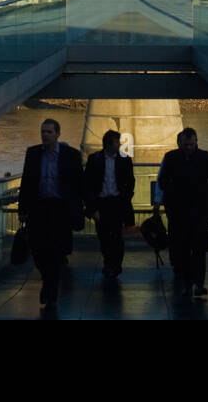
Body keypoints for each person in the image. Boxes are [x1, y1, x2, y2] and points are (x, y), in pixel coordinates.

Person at [18, 118, 84, 308]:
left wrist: (83, 208)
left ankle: (50, 287)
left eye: (48, 132)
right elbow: (26, 183)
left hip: (60, 210)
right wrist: (23, 210)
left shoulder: (71, 155)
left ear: (57, 134)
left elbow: (79, 183)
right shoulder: (32, 154)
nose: (44, 135)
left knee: (56, 252)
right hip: (39, 209)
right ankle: (48, 281)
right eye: (43, 132)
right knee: (38, 251)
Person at [155, 127, 208, 298]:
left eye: (191, 144)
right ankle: (190, 283)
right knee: (184, 250)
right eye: (186, 144)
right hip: (184, 211)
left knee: (197, 250)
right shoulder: (197, 158)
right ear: (182, 143)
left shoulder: (177, 158)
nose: (189, 148)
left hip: (194, 210)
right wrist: (206, 193)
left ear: (196, 142)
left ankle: (196, 284)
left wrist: (203, 194)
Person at [83, 129, 135, 278]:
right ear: (108, 144)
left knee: (117, 236)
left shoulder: (124, 159)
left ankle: (116, 265)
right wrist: (92, 207)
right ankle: (108, 262)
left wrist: (126, 197)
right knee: (104, 236)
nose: (119, 145)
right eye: (117, 142)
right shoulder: (94, 159)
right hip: (101, 204)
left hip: (117, 203)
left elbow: (130, 181)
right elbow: (87, 184)